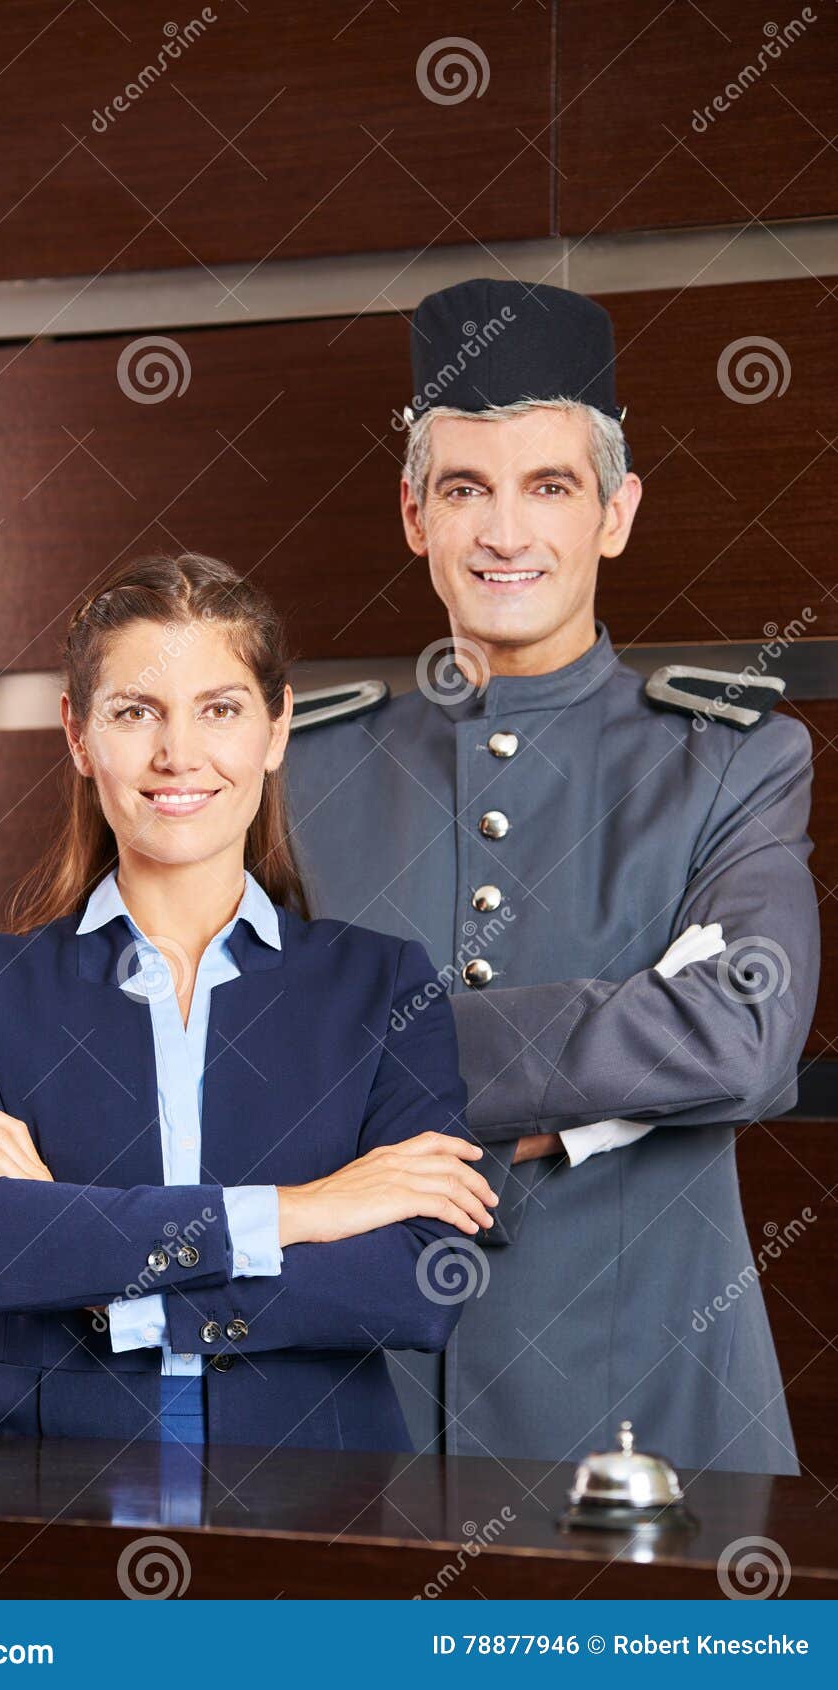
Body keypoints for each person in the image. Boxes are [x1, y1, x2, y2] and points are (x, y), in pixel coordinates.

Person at [286, 277, 820, 1476]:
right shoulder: (298, 767)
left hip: (652, 1404)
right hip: (355, 1408)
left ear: (616, 515)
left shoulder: (734, 755)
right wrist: (613, 1061)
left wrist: (383, 1051)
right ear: (415, 514)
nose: (507, 533)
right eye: (466, 489)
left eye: (550, 487)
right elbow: (239, 1056)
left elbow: (743, 1032)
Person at [0, 552, 499, 1452]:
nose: (178, 754)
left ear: (276, 726)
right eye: (136, 712)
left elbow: (422, 1276)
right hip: (40, 1504)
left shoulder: (384, 985)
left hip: (319, 1509)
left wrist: (80, 1245)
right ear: (78, 734)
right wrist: (302, 1209)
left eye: (219, 709)